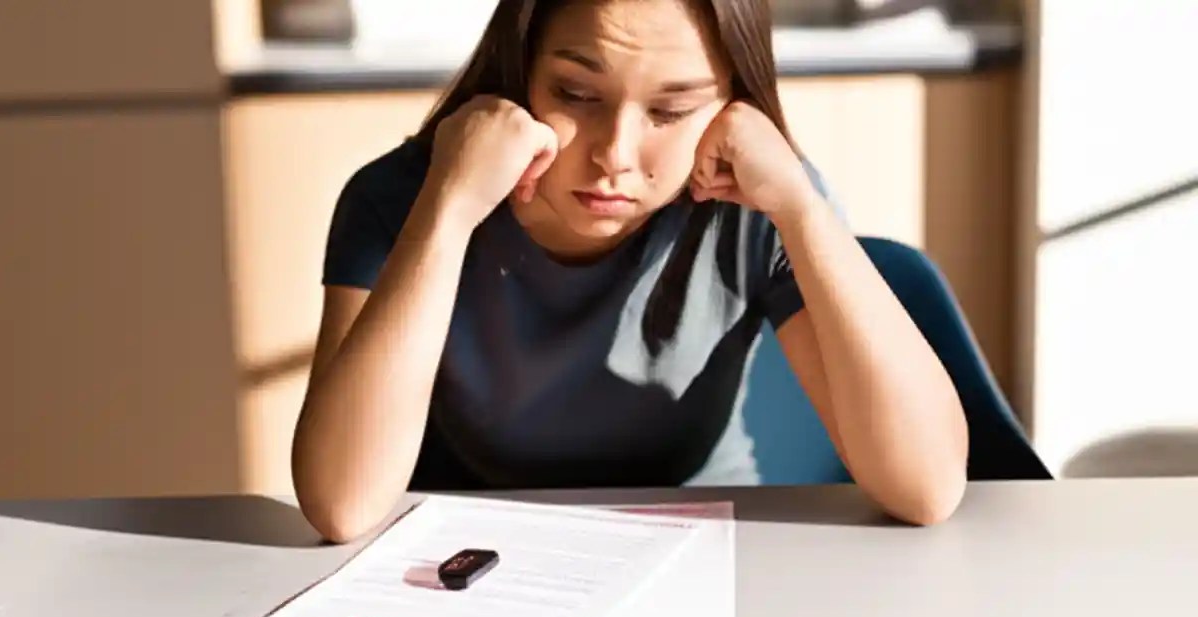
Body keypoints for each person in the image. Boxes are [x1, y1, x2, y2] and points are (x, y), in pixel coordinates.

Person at [291, 0, 970, 543]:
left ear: (733, 103)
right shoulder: (400, 199)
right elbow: (343, 504)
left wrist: (803, 207)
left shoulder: (757, 207)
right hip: (465, 559)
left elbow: (928, 487)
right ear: (520, 66)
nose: (615, 153)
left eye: (670, 111)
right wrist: (447, 208)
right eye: (577, 93)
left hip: (702, 547)